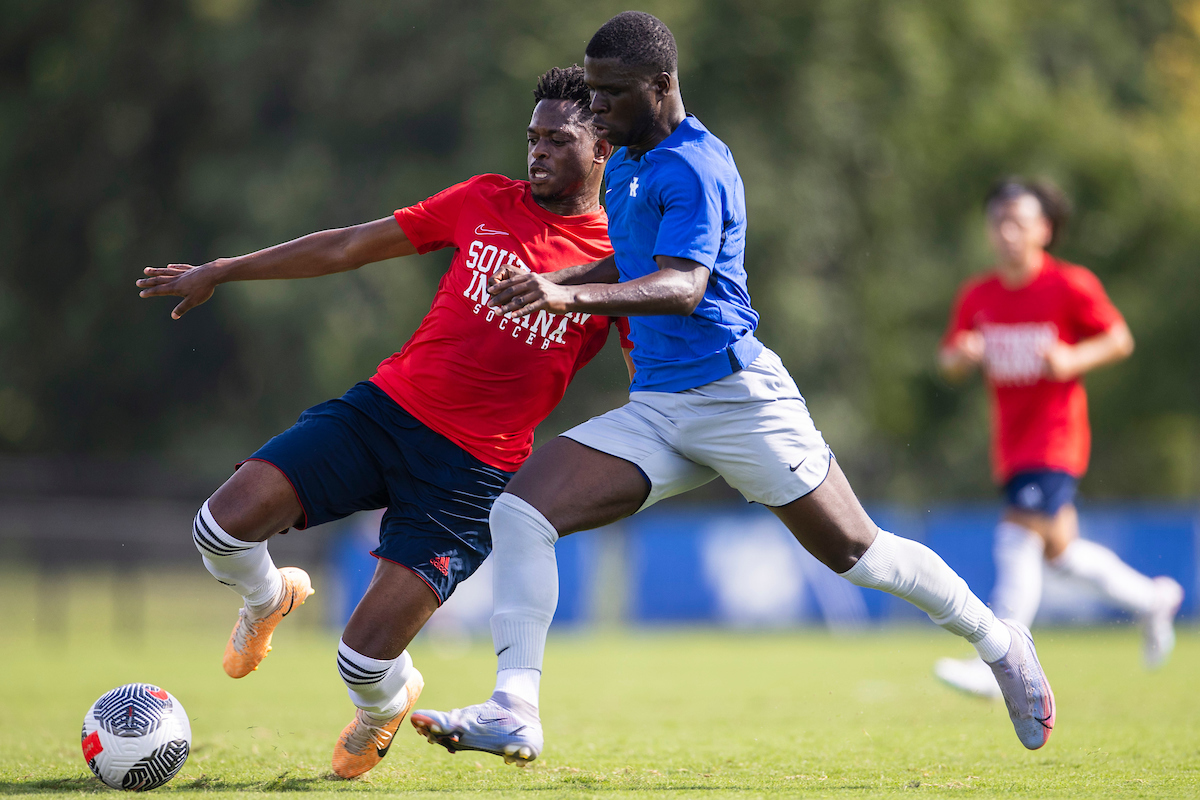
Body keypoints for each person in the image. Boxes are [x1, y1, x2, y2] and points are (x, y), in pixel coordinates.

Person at [410, 11, 1056, 765]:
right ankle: (516, 707)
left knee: (861, 554)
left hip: (738, 398)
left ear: (661, 85)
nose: (598, 110)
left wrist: (563, 299)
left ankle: (1000, 641)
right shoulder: (624, 158)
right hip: (659, 409)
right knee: (522, 510)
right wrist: (557, 280)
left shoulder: (696, 164)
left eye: (612, 93)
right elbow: (629, 260)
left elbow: (683, 285)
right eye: (591, 92)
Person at [135, 66, 631, 779]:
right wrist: (225, 267)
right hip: (385, 413)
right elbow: (348, 246)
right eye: (532, 138)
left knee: (361, 657)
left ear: (604, 145)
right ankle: (268, 596)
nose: (538, 153)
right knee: (217, 526)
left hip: (469, 476)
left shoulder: (618, 260)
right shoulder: (485, 199)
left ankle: (383, 707)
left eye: (558, 139)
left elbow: (652, 368)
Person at [933, 178, 1184, 698]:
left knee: (1017, 535)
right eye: (999, 222)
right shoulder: (978, 295)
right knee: (1059, 552)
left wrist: (1073, 358)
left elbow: (1119, 338)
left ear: (1044, 230)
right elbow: (948, 361)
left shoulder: (1069, 285)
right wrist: (963, 356)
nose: (1007, 233)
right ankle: (1152, 599)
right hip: (1011, 444)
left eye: (1019, 223)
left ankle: (1002, 660)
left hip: (1056, 439)